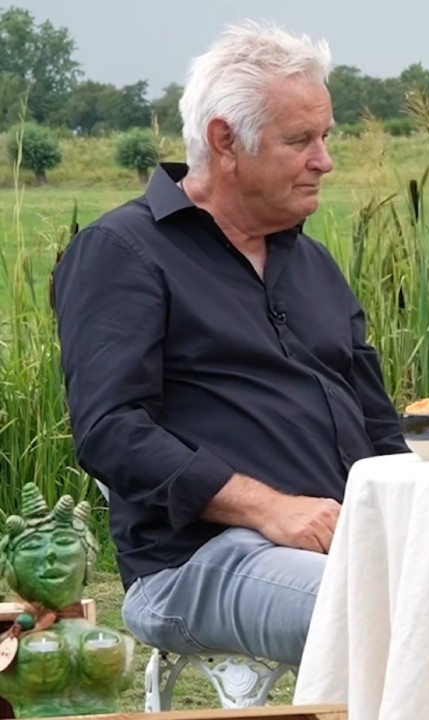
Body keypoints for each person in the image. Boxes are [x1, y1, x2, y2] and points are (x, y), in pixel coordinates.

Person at [51, 21, 407, 666]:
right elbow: (109, 430)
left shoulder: (313, 264)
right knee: (393, 615)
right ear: (225, 141)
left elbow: (380, 428)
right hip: (198, 562)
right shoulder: (122, 253)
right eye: (300, 140)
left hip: (352, 543)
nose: (324, 160)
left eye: (325, 137)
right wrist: (268, 508)